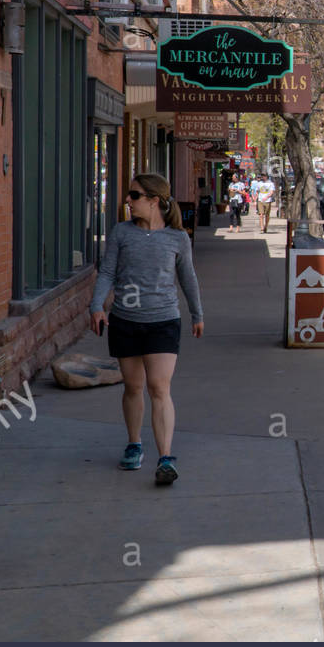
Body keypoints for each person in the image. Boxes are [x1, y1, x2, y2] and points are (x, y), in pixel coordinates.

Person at [89, 173, 204, 486]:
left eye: (135, 195)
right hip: (125, 320)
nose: (128, 200)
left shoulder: (177, 238)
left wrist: (197, 313)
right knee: (133, 387)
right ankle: (134, 443)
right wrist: (97, 306)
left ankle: (165, 457)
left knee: (159, 387)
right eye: (130, 195)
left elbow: (188, 277)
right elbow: (107, 272)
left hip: (164, 321)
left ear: (154, 201)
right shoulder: (121, 233)